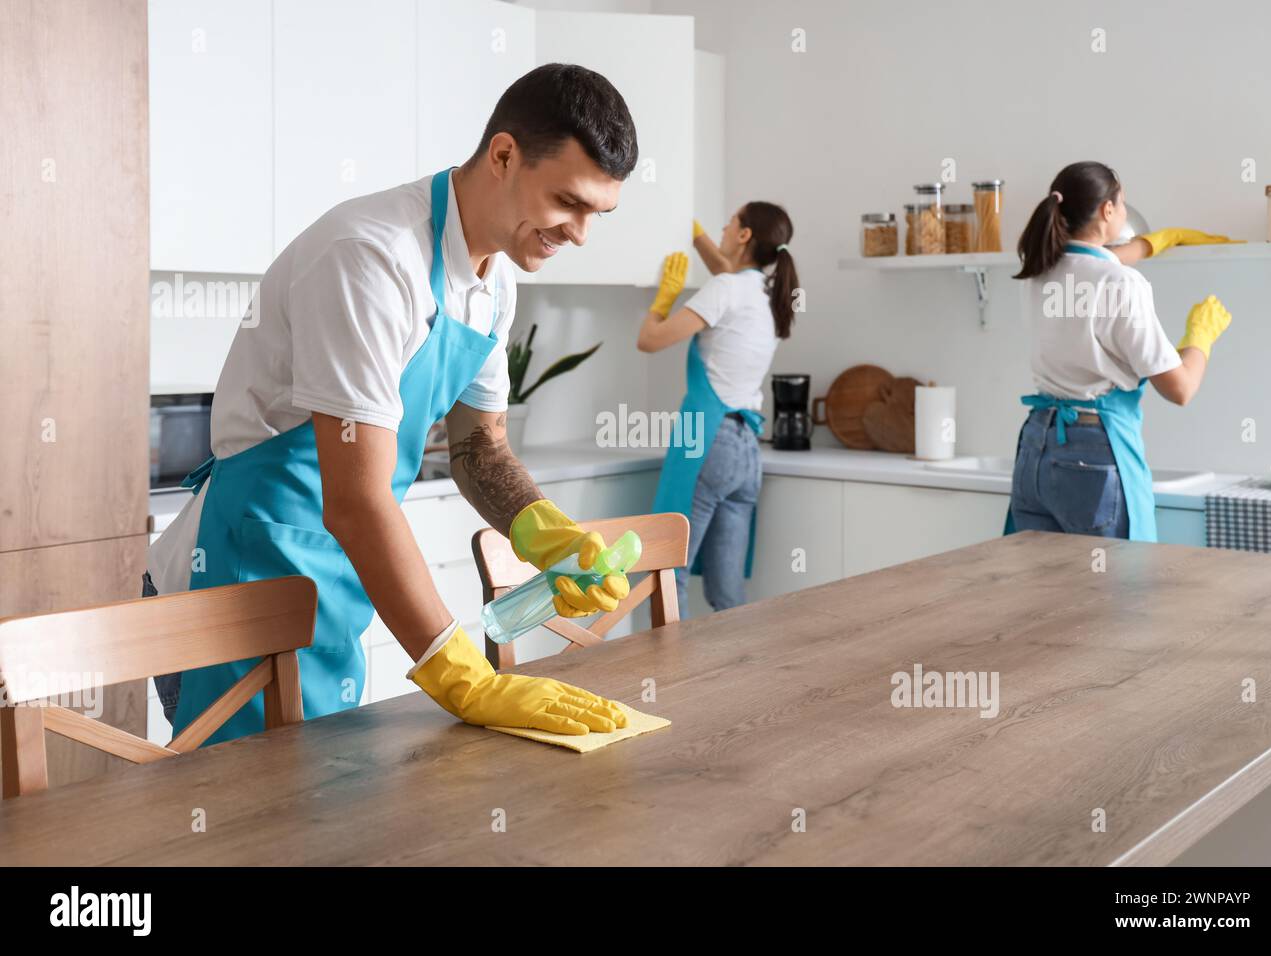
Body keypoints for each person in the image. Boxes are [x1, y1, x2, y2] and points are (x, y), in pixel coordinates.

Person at [146, 64, 640, 746]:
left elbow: (478, 448)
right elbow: (355, 500)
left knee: (327, 815)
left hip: (335, 581)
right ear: (503, 155)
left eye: (597, 214)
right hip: (238, 577)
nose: (580, 233)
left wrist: (545, 531)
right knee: (246, 828)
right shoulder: (372, 259)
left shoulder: (494, 284)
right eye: (569, 202)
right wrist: (468, 679)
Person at [1006, 161, 1233, 541]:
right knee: (1118, 591)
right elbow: (1180, 389)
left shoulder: (1037, 273)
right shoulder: (1123, 284)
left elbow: (1091, 267)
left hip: (1036, 451)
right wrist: (1201, 335)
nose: (1125, 212)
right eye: (1123, 204)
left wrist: (1150, 243)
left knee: (1044, 593)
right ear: (1107, 211)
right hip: (1091, 456)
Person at [637, 203, 799, 615]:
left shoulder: (726, 290)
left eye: (729, 223)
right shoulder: (768, 295)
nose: (723, 228)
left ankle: (671, 678)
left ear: (744, 235)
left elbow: (650, 341)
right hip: (746, 450)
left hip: (706, 440)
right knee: (727, 596)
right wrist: (696, 237)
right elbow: (728, 272)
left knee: (667, 573)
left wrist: (664, 300)